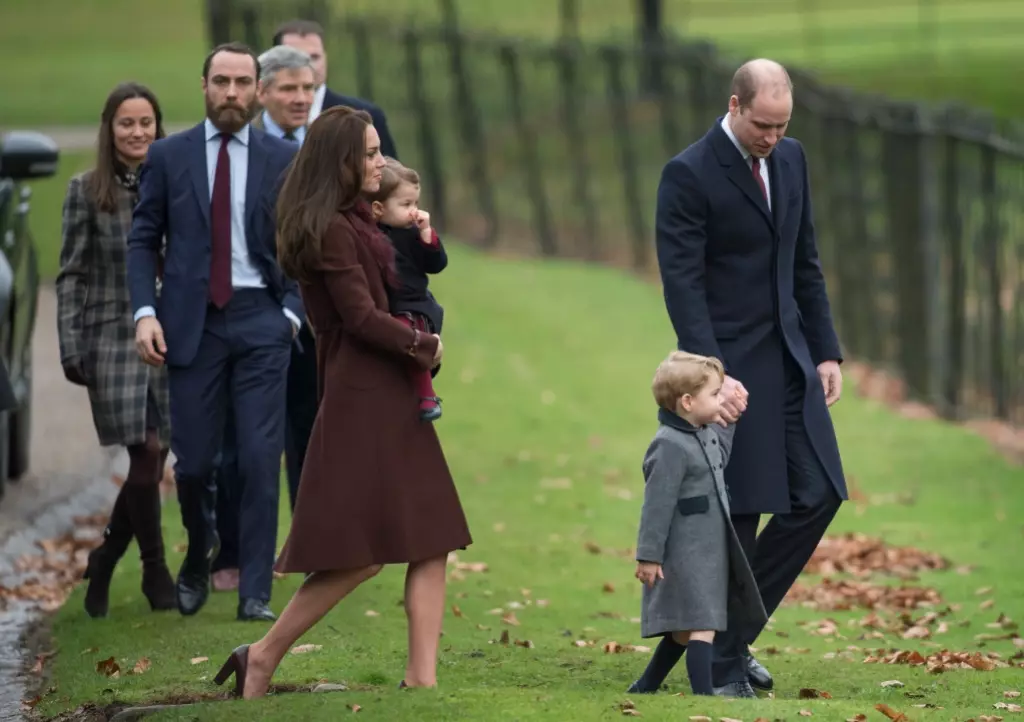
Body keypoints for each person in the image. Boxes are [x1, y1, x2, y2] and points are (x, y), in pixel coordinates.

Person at [212, 106, 472, 699]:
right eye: (372, 152)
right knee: (360, 555)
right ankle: (263, 654)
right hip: (363, 394)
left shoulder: (359, 218)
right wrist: (422, 343)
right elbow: (357, 318)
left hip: (391, 389)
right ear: (342, 161)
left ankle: (422, 682)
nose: (381, 161)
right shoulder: (330, 227)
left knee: (432, 537)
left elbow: (412, 274)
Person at [654, 58, 847, 697]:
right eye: (763, 125)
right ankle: (724, 662)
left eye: (782, 125)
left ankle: (731, 641)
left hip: (791, 359)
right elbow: (683, 284)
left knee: (819, 493)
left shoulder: (791, 161)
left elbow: (806, 260)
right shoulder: (687, 174)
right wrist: (714, 376)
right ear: (734, 106)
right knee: (739, 517)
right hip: (730, 368)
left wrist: (826, 351)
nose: (772, 137)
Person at [126, 42, 303, 623]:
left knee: (258, 457)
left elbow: (306, 243)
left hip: (261, 319)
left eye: (242, 82)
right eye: (221, 81)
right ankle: (199, 557)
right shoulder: (168, 156)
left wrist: (292, 314)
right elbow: (142, 239)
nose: (232, 93)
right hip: (189, 323)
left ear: (257, 89)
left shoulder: (282, 158)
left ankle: (255, 589)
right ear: (203, 85)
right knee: (196, 463)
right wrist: (144, 313)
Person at [56, 82, 176, 619]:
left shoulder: (173, 182)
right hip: (109, 333)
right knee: (145, 451)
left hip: (169, 336)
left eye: (146, 122)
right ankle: (155, 570)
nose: (137, 132)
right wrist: (69, 345)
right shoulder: (85, 190)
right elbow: (71, 274)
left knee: (160, 454)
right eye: (126, 123)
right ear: (109, 129)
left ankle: (104, 558)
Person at [210, 42, 316, 594]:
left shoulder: (321, 147)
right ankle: (230, 548)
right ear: (262, 93)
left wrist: (297, 315)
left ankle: (304, 544)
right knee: (239, 444)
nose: (301, 99)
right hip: (242, 316)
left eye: (308, 89)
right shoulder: (227, 152)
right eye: (289, 89)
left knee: (305, 432)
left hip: (301, 319)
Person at [628, 351, 766, 696]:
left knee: (682, 632)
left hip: (709, 551)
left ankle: (646, 686)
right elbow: (655, 507)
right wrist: (649, 555)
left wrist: (729, 419)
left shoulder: (701, 431)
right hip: (684, 554)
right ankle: (705, 696)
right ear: (688, 402)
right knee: (703, 626)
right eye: (715, 395)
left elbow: (718, 458)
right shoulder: (669, 445)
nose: (721, 399)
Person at [366, 157, 447, 420]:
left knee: (410, 338)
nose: (414, 211)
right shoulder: (368, 235)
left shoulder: (412, 233)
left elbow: (436, 264)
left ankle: (426, 395)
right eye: (406, 204)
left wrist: (427, 237)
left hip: (413, 304)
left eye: (416, 203)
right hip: (388, 303)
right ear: (378, 209)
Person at [272, 18, 398, 156]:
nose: (308, 65)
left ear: (325, 58)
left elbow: (389, 174)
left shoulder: (363, 116)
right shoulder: (256, 119)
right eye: (295, 58)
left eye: (314, 57)